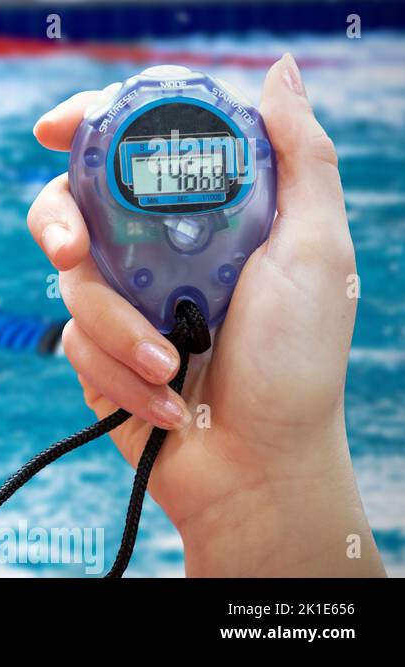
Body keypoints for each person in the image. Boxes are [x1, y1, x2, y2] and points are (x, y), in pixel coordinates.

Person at [28, 55, 385, 576]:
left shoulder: (120, 144)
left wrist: (273, 478)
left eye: (196, 167)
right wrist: (245, 508)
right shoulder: (226, 140)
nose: (182, 181)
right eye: (160, 168)